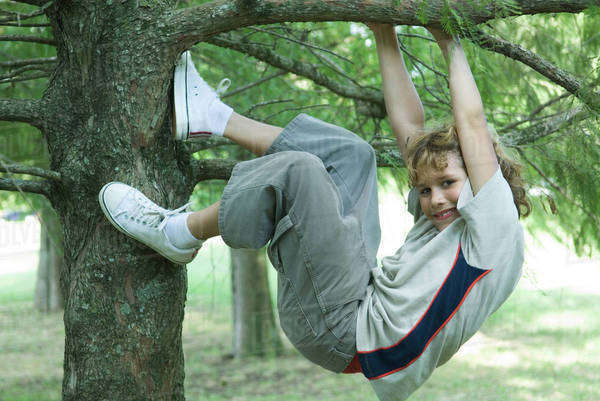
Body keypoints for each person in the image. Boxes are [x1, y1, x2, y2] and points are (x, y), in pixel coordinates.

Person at [98, 24, 530, 401]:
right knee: (353, 155)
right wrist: (382, 31)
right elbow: (408, 127)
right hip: (357, 294)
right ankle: (212, 117)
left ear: (478, 178)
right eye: (425, 190)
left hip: (341, 333)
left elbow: (471, 123)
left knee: (300, 173)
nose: (434, 199)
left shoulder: (494, 228)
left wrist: (447, 35)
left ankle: (178, 234)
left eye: (448, 185)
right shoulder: (448, 221)